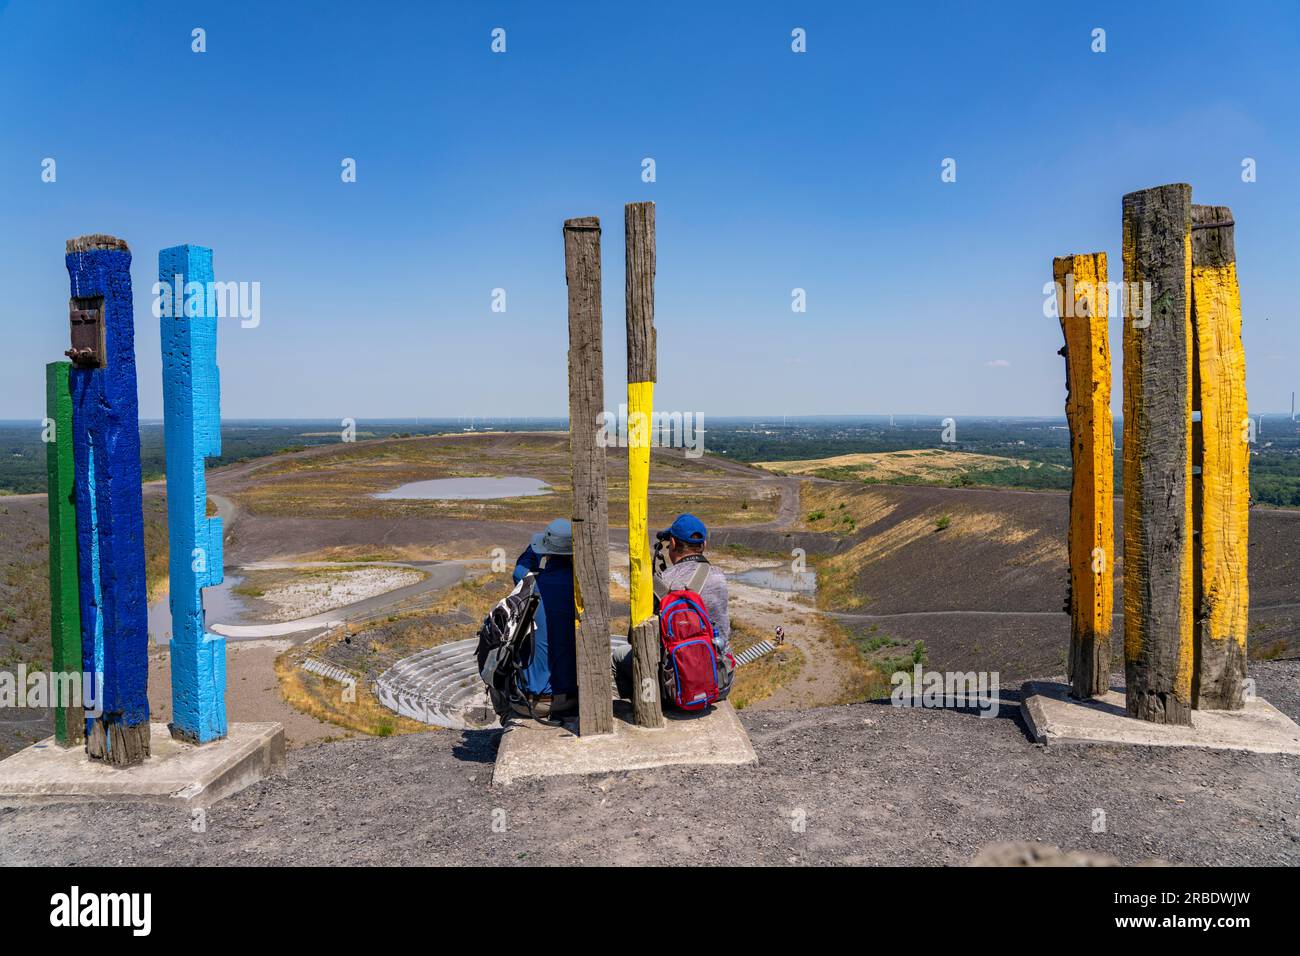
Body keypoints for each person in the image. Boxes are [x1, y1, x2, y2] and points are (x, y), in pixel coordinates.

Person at [613, 513, 734, 704]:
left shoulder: (662, 583)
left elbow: (634, 638)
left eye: (669, 545)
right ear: (703, 545)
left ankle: (641, 706)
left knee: (618, 656)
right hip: (720, 681)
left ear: (674, 544)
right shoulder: (719, 577)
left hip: (677, 684)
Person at [508, 518, 579, 718]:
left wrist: (535, 547)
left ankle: (508, 720)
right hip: (575, 698)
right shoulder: (581, 588)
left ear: (546, 551)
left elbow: (520, 567)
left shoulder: (530, 583)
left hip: (533, 704)